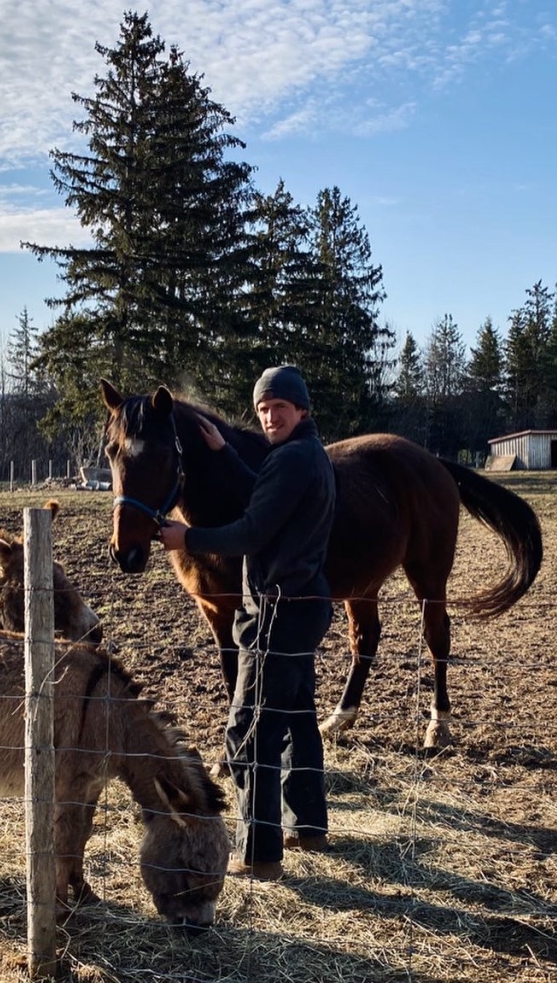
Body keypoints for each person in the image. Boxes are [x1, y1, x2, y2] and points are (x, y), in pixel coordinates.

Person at [159, 365, 335, 882]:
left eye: (279, 407)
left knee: (248, 732)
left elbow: (253, 529)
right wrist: (227, 454)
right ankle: (309, 824)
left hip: (277, 611)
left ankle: (259, 855)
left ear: (301, 409)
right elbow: (267, 495)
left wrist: (186, 539)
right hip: (305, 605)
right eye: (262, 409)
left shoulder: (293, 459)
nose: (269, 416)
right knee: (298, 715)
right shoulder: (307, 457)